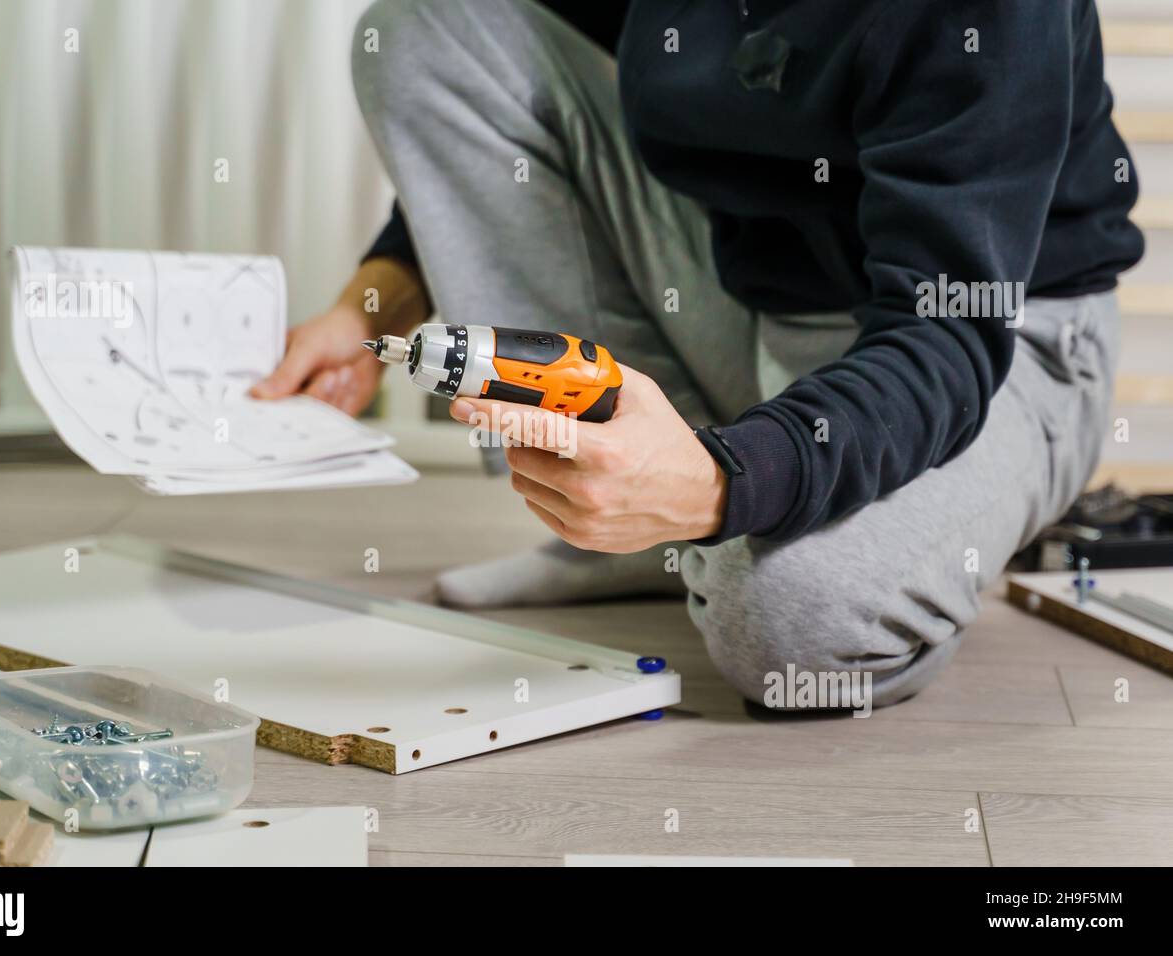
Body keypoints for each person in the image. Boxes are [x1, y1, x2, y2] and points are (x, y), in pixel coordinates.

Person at [251, 0, 1143, 708]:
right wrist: (373, 299)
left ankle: (698, 507)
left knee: (789, 617)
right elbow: (500, 64)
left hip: (982, 339)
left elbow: (943, 335)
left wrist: (724, 482)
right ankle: (650, 533)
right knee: (418, 33)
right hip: (753, 293)